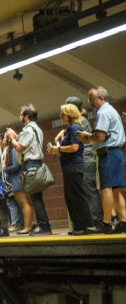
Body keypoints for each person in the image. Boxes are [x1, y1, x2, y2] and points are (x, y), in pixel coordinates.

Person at [79, 86, 126, 234]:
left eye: (92, 99)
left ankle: (105, 224)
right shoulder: (112, 111)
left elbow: (100, 137)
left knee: (106, 188)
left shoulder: (103, 113)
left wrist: (87, 137)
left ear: (101, 98)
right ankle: (124, 221)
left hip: (108, 154)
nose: (90, 102)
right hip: (117, 153)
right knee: (117, 190)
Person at [48, 104, 96, 235]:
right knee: (70, 197)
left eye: (62, 113)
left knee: (78, 196)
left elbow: (74, 147)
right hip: (70, 167)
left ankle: (88, 225)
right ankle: (79, 226)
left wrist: (57, 149)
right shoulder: (71, 128)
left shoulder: (75, 127)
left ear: (68, 114)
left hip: (73, 166)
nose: (60, 116)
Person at [4, 104, 52, 236]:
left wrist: (13, 138)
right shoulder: (36, 129)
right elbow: (27, 142)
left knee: (35, 198)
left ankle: (44, 226)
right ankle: (43, 224)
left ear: (26, 116)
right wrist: (16, 135)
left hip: (30, 165)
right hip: (35, 164)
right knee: (37, 198)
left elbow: (19, 147)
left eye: (21, 115)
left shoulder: (28, 129)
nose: (20, 117)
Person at [61, 96, 103, 226]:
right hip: (85, 158)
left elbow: (74, 145)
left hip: (86, 158)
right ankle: (90, 221)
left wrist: (59, 148)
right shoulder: (80, 121)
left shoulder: (80, 122)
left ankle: (95, 220)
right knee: (85, 191)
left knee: (88, 191)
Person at [2, 140, 26, 231]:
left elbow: (15, 166)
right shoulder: (8, 151)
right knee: (14, 203)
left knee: (20, 203)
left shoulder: (13, 150)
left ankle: (17, 224)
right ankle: (18, 224)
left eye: (5, 138)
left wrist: (4, 169)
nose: (3, 141)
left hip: (15, 180)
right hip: (12, 180)